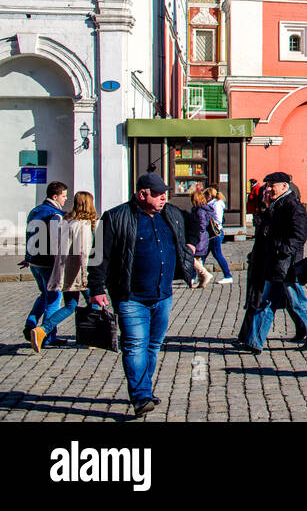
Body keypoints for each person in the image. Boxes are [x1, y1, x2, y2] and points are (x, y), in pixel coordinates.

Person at [88, 173, 198, 417]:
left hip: (163, 295)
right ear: (142, 194)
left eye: (164, 194)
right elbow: (98, 255)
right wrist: (96, 288)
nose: (163, 198)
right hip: (130, 297)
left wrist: (190, 247)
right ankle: (140, 397)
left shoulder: (169, 213)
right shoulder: (116, 217)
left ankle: (144, 390)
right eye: (158, 194)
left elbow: (193, 224)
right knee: (136, 346)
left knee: (153, 346)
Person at [240, 172, 307, 353]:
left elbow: (300, 235)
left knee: (297, 302)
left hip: (287, 265)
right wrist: (264, 206)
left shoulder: (293, 206)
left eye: (272, 185)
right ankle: (254, 341)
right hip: (275, 264)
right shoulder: (275, 204)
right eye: (268, 185)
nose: (268, 189)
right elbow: (262, 228)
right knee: (267, 302)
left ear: (284, 186)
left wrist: (282, 249)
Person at [30, 190, 97, 353]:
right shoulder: (84, 224)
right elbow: (83, 252)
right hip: (79, 273)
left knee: (71, 305)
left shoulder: (67, 220)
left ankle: (42, 330)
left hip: (66, 271)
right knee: (94, 302)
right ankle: (91, 337)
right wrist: (85, 276)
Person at [23, 182, 68, 347]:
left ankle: (30, 323)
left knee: (44, 295)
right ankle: (48, 336)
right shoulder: (55, 215)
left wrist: (27, 256)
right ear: (55, 197)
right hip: (48, 264)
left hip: (34, 262)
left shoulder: (34, 211)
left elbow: (30, 234)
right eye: (64, 196)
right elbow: (57, 241)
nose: (66, 198)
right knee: (53, 298)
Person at [203, 188, 234, 283]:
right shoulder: (213, 204)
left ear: (209, 196)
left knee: (217, 254)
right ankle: (195, 275)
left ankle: (228, 275)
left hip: (215, 233)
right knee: (203, 254)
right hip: (212, 233)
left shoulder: (216, 204)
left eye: (205, 196)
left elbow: (218, 219)